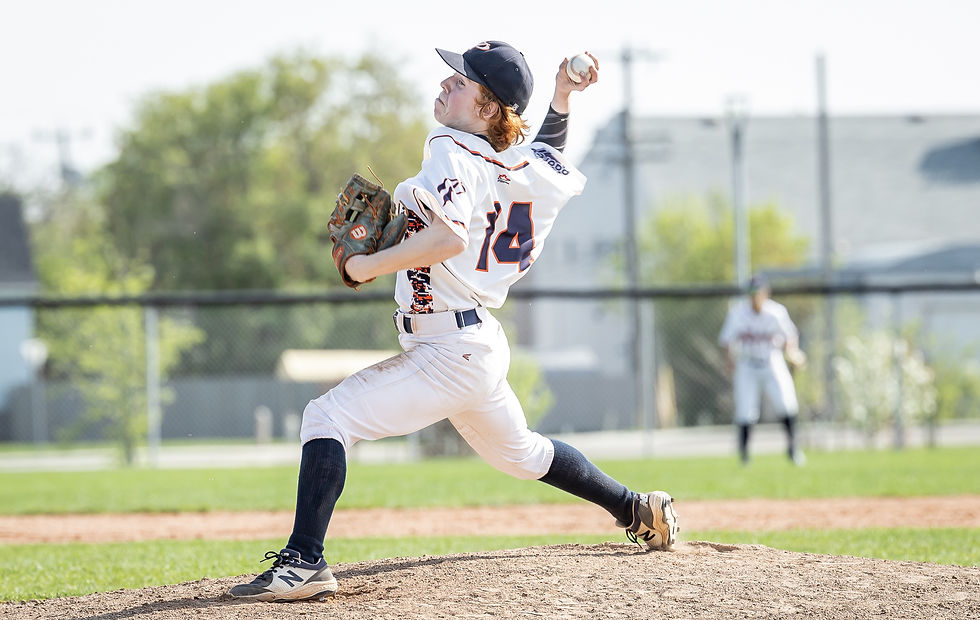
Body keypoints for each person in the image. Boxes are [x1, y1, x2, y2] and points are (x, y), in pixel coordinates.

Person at [228, 41, 678, 603]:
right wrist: (561, 99)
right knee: (526, 456)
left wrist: (367, 264)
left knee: (327, 416)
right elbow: (545, 156)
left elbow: (449, 238)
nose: (445, 84)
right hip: (473, 343)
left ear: (488, 108)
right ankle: (636, 508)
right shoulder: (513, 164)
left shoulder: (449, 147)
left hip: (448, 349)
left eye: (460, 81)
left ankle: (303, 562)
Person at [718, 275, 807, 466]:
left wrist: (792, 351)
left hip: (771, 361)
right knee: (745, 410)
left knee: (786, 403)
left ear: (765, 293)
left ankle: (793, 449)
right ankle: (744, 455)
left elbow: (790, 335)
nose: (754, 297)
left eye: (757, 293)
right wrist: (729, 361)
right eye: (751, 294)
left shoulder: (776, 312)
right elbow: (726, 340)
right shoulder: (738, 313)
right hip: (747, 364)